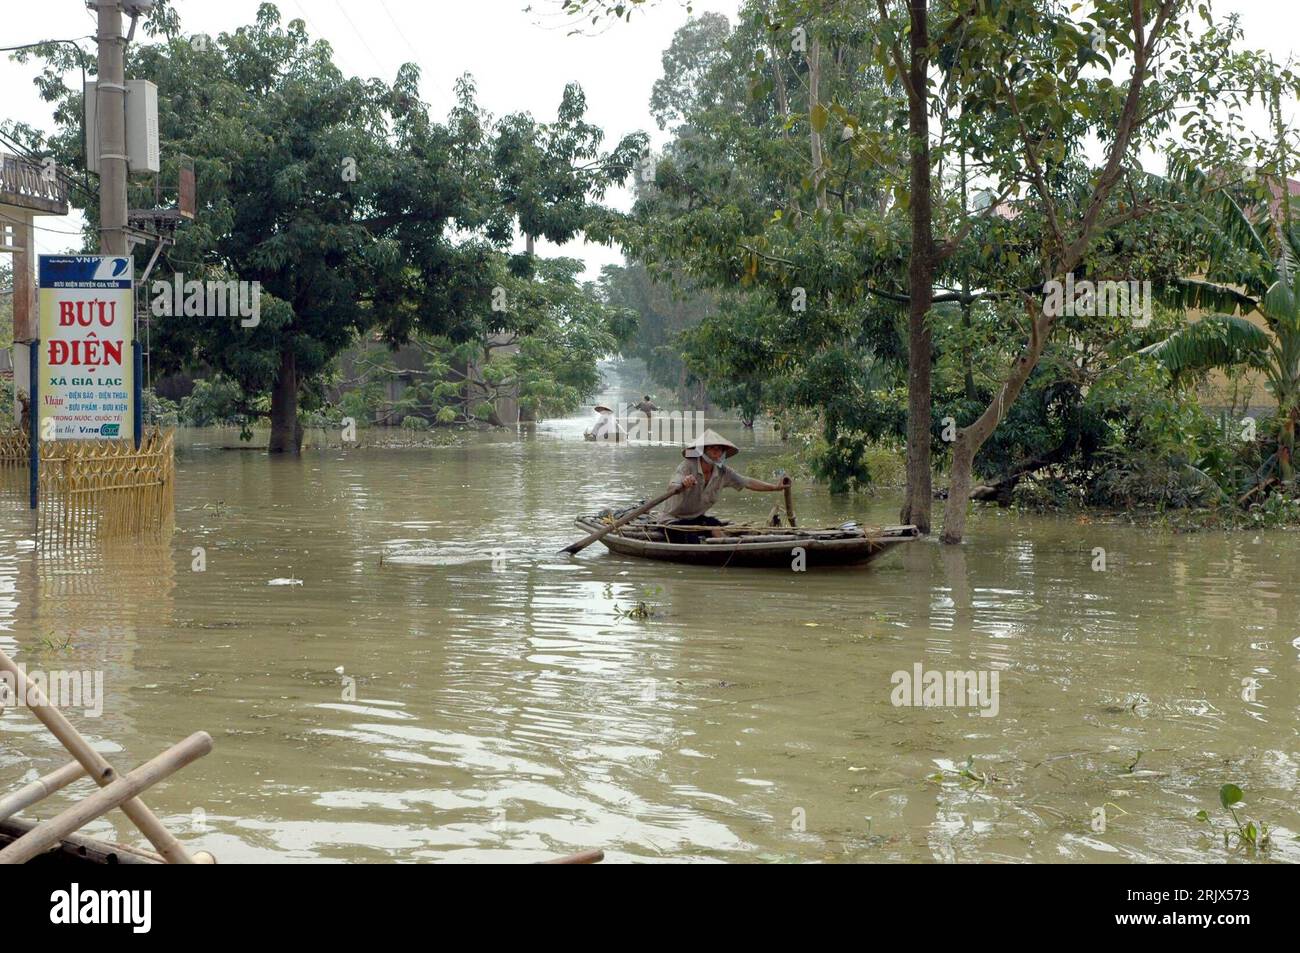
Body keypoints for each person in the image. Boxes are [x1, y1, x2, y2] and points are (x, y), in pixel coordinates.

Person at [660, 428, 790, 543]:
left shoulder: (723, 472)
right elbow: (672, 486)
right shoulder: (688, 466)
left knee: (716, 528)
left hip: (695, 519)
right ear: (703, 451)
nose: (717, 453)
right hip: (674, 520)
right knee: (691, 539)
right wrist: (683, 484)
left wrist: (775, 487)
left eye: (720, 449)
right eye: (713, 448)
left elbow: (747, 482)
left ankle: (727, 550)